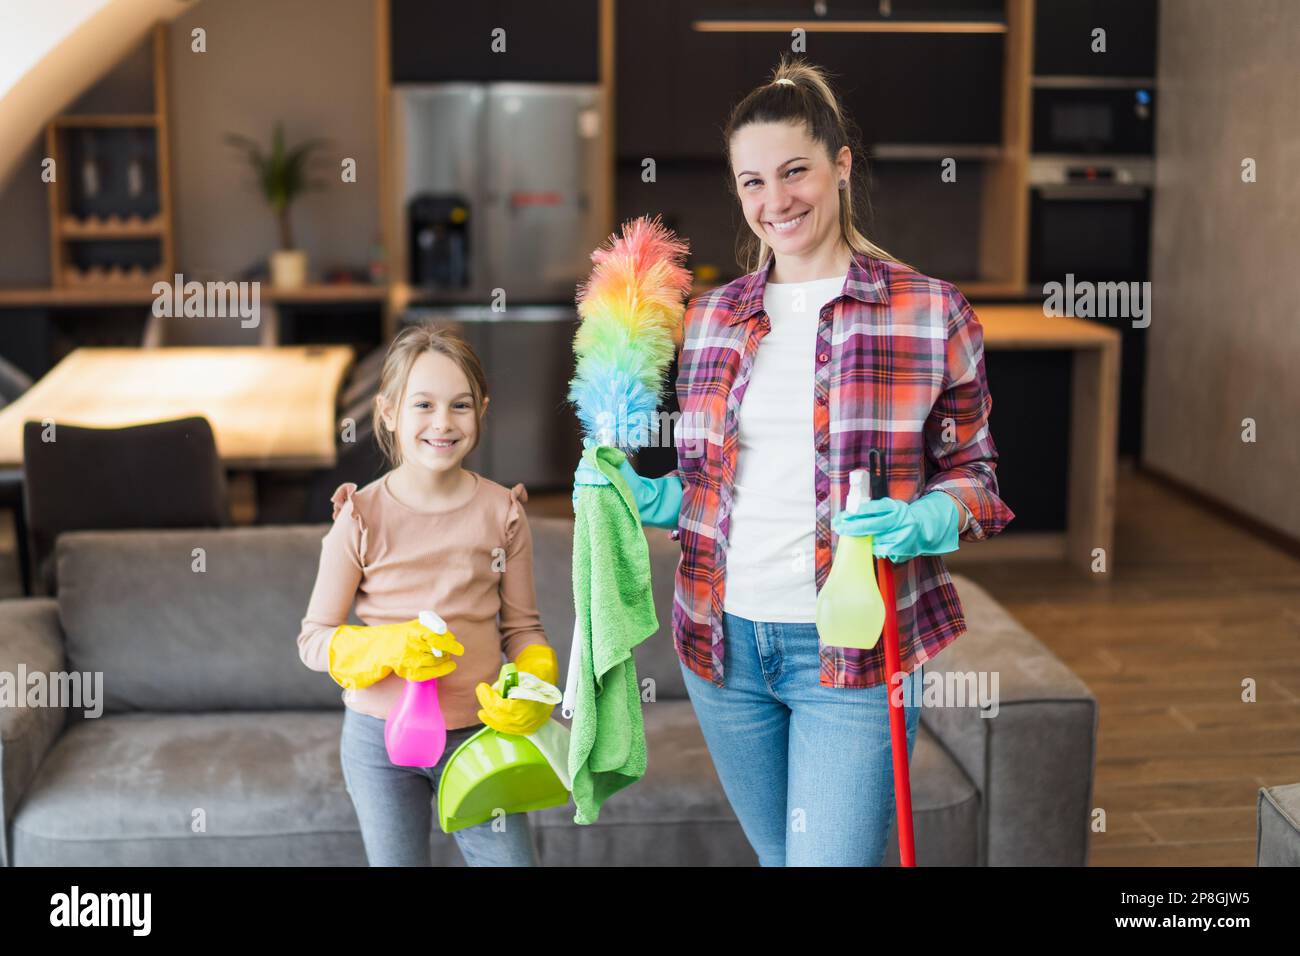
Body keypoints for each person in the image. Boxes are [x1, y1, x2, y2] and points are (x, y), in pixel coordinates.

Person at [576, 55, 1015, 865]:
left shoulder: (928, 311)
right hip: (719, 643)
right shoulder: (709, 317)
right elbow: (711, 486)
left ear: (840, 166)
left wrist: (928, 518)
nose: (774, 202)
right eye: (751, 183)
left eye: (794, 173)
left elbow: (979, 477)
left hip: (850, 649)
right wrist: (652, 498)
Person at [299, 323, 556, 866]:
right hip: (377, 744)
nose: (443, 423)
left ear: (480, 410)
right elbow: (314, 640)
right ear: (390, 413)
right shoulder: (359, 517)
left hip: (479, 739)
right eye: (424, 405)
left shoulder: (504, 513)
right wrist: (385, 648)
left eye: (460, 405)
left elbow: (523, 630)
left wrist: (535, 684)